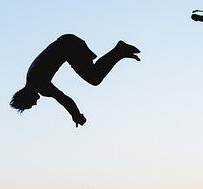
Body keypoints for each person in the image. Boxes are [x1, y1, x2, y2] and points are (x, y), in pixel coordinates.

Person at [10, 34, 140, 126]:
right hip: (67, 43)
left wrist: (76, 116)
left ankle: (119, 50)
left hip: (69, 46)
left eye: (30, 104)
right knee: (93, 75)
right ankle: (120, 51)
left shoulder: (38, 84)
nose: (35, 104)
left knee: (94, 77)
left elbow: (65, 100)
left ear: (26, 97)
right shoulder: (32, 79)